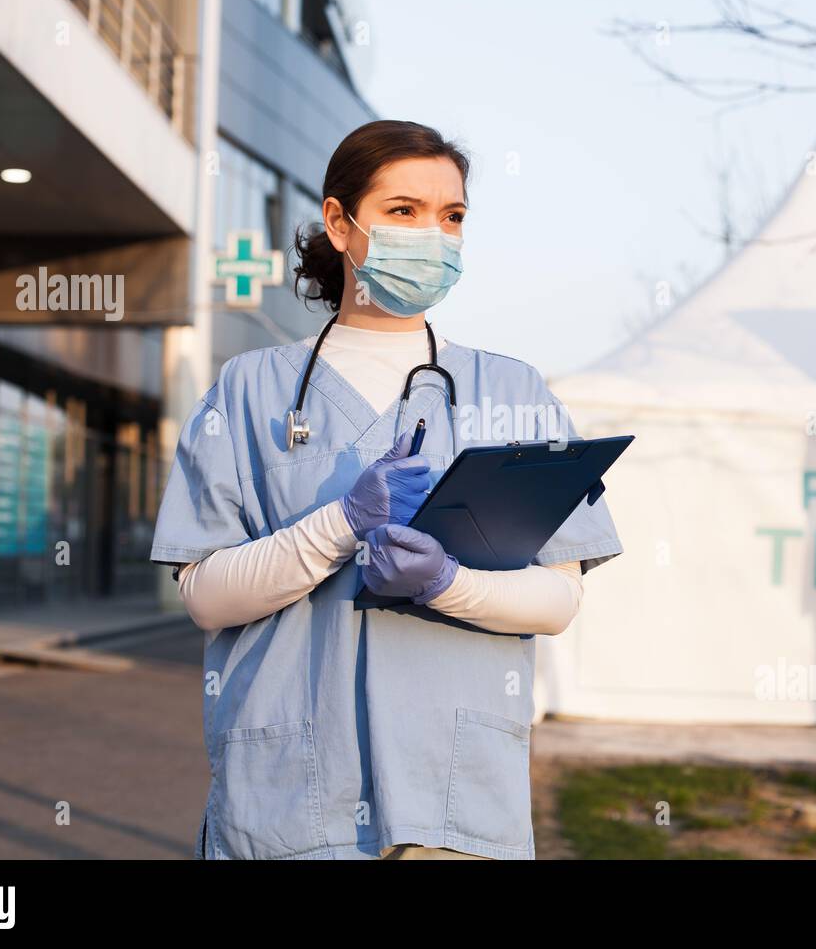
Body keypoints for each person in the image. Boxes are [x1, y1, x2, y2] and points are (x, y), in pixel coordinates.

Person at [150, 120, 622, 860]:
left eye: (452, 216)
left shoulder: (512, 391)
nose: (433, 234)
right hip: (287, 803)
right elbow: (206, 596)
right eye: (404, 211)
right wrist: (338, 524)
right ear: (340, 223)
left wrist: (446, 582)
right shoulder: (249, 390)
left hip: (454, 808)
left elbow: (559, 601)